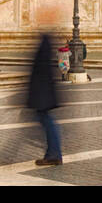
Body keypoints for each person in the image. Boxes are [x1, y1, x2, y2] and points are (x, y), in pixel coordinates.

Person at [28, 33, 63, 166]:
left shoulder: (45, 39)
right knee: (47, 121)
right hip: (43, 92)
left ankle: (54, 154)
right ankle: (53, 153)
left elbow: (41, 70)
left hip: (42, 93)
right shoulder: (46, 38)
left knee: (47, 122)